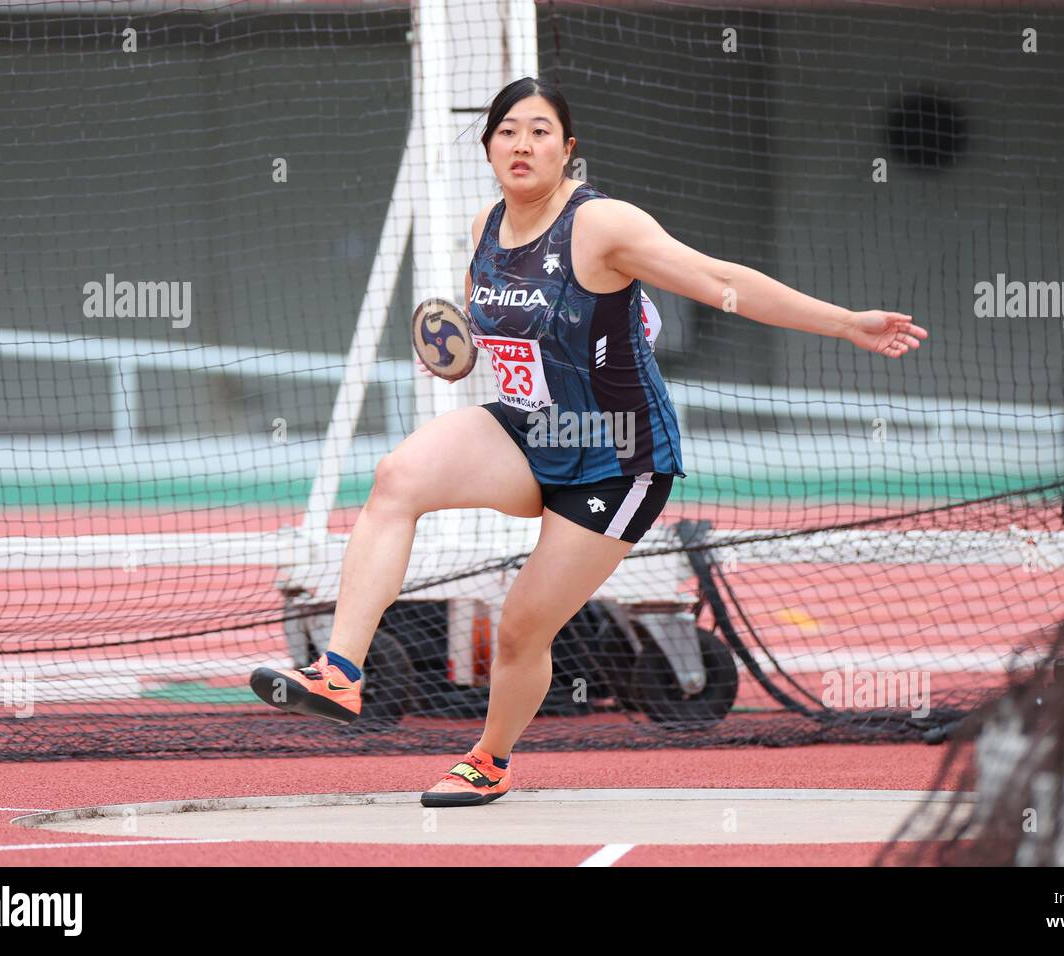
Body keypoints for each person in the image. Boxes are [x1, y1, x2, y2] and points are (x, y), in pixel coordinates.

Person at [250, 76, 927, 806]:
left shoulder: (602, 226)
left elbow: (718, 278)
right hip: (530, 428)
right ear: (488, 146)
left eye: (540, 131)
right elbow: (506, 334)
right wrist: (462, 354)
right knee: (397, 477)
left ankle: (489, 759)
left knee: (520, 631)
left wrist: (842, 322)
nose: (522, 143)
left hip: (617, 456)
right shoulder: (485, 227)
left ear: (566, 149)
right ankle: (341, 673)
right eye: (507, 130)